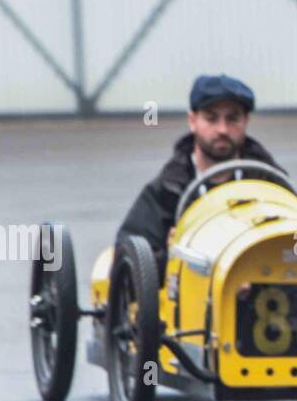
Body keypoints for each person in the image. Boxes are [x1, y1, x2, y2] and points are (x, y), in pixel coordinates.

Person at [118, 75, 280, 269]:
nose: (222, 129)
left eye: (233, 118)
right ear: (192, 120)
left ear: (246, 121)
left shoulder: (272, 185)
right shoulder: (167, 190)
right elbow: (128, 258)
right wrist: (171, 255)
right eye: (211, 118)